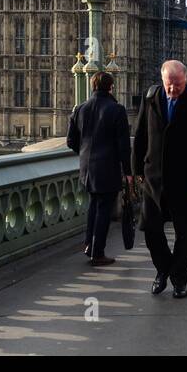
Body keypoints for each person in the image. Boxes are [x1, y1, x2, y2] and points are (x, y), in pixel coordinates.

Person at [133, 59, 187, 299]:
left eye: (177, 84)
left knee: (185, 233)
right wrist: (135, 170)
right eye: (169, 84)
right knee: (151, 231)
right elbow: (139, 136)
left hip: (186, 180)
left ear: (186, 80)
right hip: (153, 178)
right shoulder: (150, 99)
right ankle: (163, 270)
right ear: (162, 80)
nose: (172, 89)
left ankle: (179, 280)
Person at [66, 71, 131, 267]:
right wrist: (128, 172)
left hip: (87, 168)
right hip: (107, 167)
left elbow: (70, 141)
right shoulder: (116, 110)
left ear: (93, 86)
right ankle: (97, 252)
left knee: (94, 206)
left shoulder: (80, 108)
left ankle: (89, 244)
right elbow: (123, 146)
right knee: (103, 209)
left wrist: (85, 153)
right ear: (111, 87)